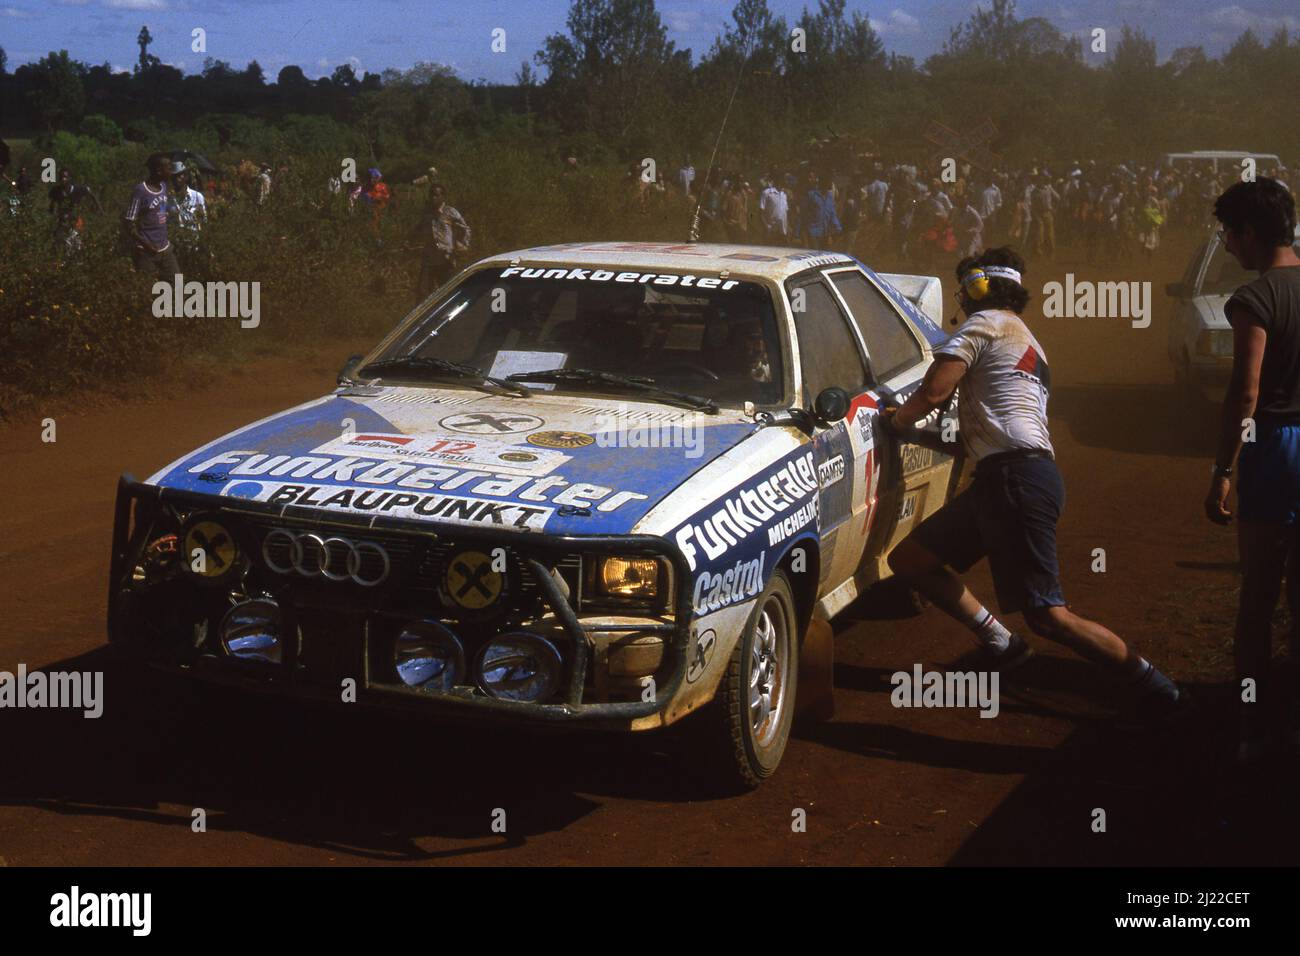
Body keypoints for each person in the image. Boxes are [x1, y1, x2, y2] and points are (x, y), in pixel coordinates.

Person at [883, 247, 1185, 721]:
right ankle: (1002, 643)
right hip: (1011, 478)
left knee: (1050, 617)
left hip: (1014, 483)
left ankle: (1158, 686)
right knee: (912, 559)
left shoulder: (983, 326)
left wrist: (899, 420)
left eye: (965, 287)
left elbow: (934, 391)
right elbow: (977, 438)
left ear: (977, 287)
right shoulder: (1027, 343)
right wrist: (917, 435)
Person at [1205, 178, 1300, 762]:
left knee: (1259, 599)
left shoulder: (1255, 298)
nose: (1228, 244)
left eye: (1229, 234)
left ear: (1248, 233)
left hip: (1275, 448)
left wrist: (1223, 468)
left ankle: (1252, 728)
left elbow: (1246, 392)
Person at [123, 153, 178, 280]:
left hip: (165, 249)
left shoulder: (163, 187)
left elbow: (161, 211)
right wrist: (147, 245)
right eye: (168, 168)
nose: (171, 171)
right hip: (146, 252)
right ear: (159, 171)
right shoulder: (140, 190)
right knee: (149, 287)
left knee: (177, 283)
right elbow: (128, 223)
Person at [411, 182, 470, 298]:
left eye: (436, 195)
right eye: (431, 195)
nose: (433, 198)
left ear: (443, 196)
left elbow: (465, 229)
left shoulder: (450, 212)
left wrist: (462, 245)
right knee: (424, 293)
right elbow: (418, 229)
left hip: (446, 259)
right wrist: (409, 241)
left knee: (447, 291)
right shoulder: (427, 214)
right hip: (429, 260)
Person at [168, 163, 208, 271]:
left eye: (180, 175)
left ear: (185, 177)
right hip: (176, 245)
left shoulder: (197, 197)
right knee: (178, 273)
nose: (177, 179)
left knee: (194, 272)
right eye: (174, 176)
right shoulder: (168, 199)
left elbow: (203, 221)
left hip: (194, 244)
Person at [800, 170, 841, 248]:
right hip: (813, 232)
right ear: (821, 183)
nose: (829, 186)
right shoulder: (811, 195)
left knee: (824, 252)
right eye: (827, 183)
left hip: (825, 232)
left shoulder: (830, 196)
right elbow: (803, 214)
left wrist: (837, 227)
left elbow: (833, 214)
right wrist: (801, 231)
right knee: (815, 252)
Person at [759, 175, 789, 242]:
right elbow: (760, 213)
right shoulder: (766, 193)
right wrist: (767, 226)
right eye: (784, 180)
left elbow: (785, 213)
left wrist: (788, 228)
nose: (786, 182)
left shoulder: (784, 194)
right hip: (771, 231)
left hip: (783, 232)